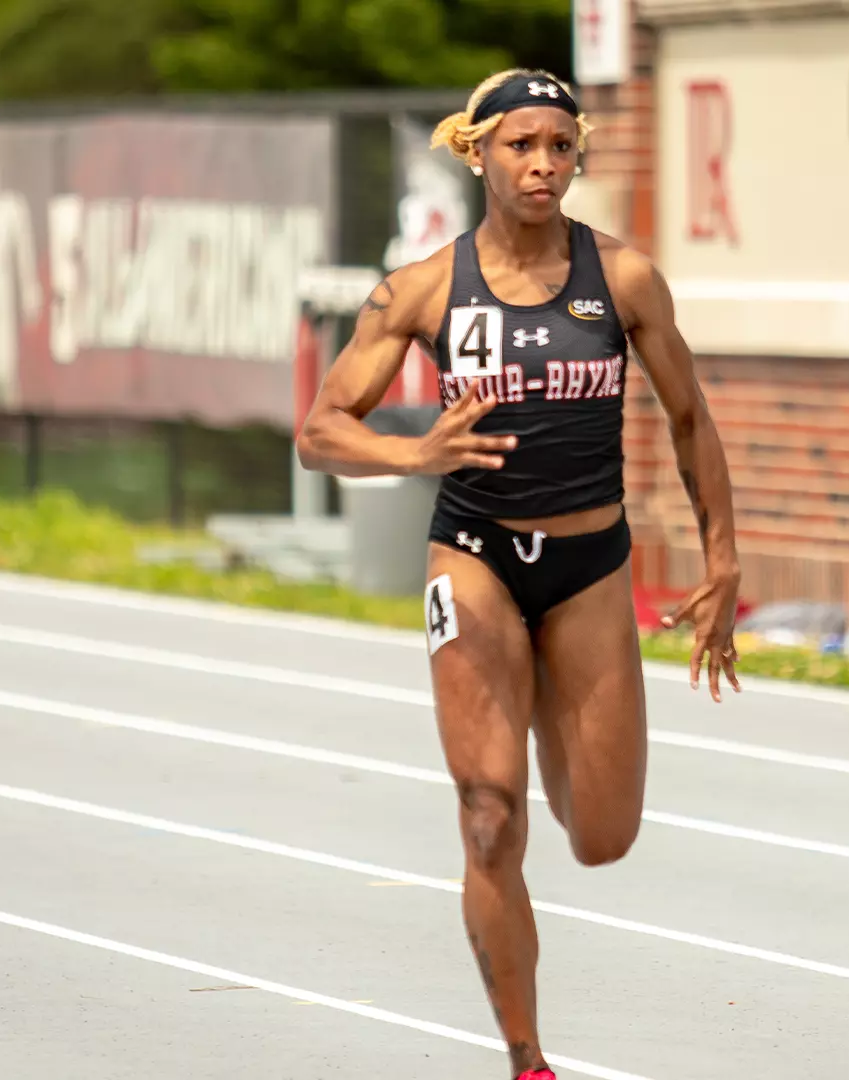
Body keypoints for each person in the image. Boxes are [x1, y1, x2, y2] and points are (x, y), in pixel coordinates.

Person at [295, 68, 744, 1078]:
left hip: (587, 570)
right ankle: (527, 1058)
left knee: (600, 836)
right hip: (477, 560)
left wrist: (723, 559)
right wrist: (417, 456)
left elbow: (688, 418)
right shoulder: (421, 290)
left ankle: (546, 707)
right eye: (520, 146)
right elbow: (321, 430)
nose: (542, 165)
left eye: (558, 146)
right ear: (477, 152)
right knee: (490, 820)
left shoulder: (624, 280)